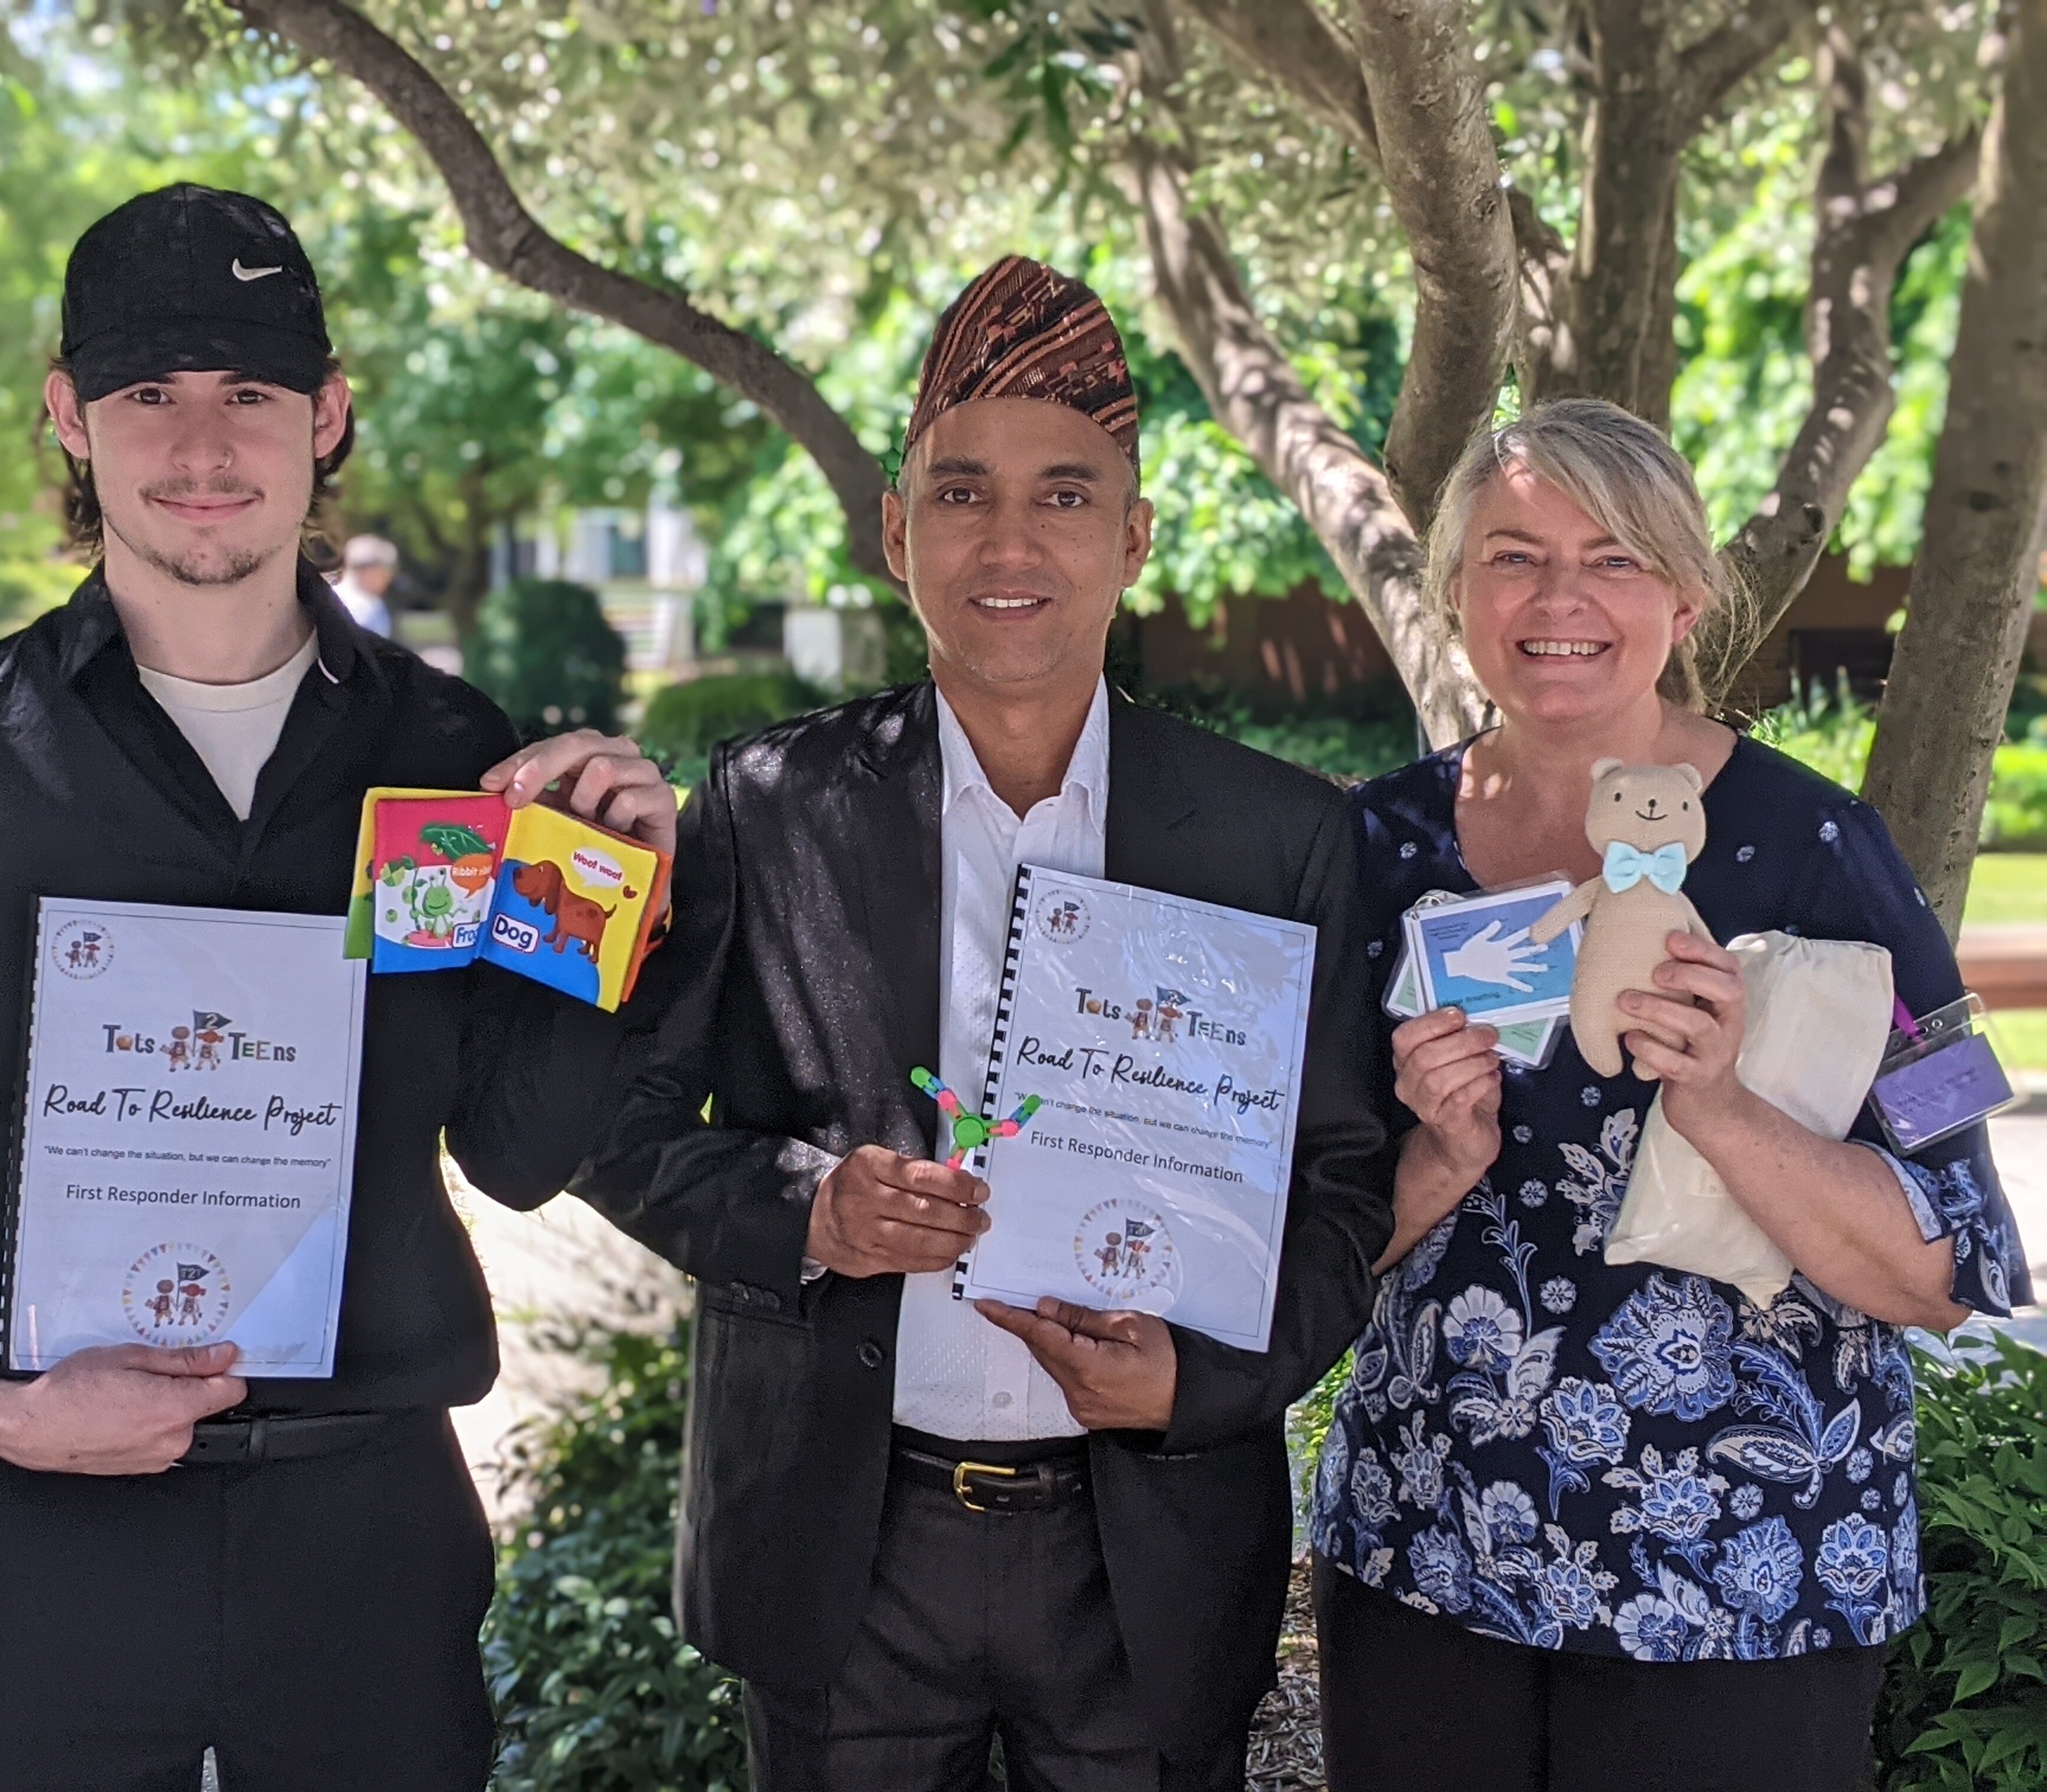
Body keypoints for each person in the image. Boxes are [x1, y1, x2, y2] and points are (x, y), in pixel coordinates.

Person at [0, 183, 677, 1791]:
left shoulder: (450, 755)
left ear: (327, 416)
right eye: (148, 395)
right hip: (51, 1550)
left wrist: (626, 907)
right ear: (68, 420)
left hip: (370, 1545)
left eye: (248, 393)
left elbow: (517, 1157)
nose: (202, 445)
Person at [573, 255, 1396, 1790]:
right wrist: (806, 1210)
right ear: (895, 533)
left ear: (1136, 538)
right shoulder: (766, 805)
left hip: (1144, 1552)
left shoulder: (1276, 841)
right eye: (959, 493)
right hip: (844, 1551)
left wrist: (1207, 1382)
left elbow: (1350, 1184)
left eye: (1067, 497)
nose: (1009, 542)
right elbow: (614, 1127)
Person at [1307, 398, 2033, 1792]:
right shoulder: (1373, 854)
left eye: (1615, 559)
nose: (1560, 598)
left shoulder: (1832, 852)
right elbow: (1286, 1249)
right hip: (1428, 1561)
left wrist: (1727, 1111)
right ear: (1454, 589)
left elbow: (1959, 1253)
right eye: (1514, 555)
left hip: (1745, 1585)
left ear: (1689, 596)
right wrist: (1436, 1161)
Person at [332, 532, 397, 636]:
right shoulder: (368, 607)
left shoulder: (328, 593)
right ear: (372, 571)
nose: (389, 579)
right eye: (387, 571)